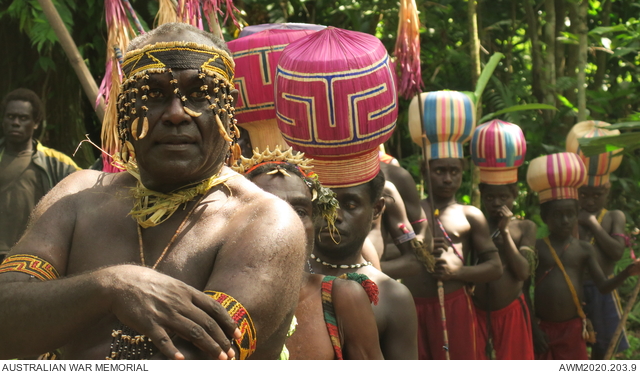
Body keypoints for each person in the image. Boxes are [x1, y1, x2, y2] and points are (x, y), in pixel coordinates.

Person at [0, 23, 306, 360]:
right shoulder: (77, 197)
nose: (176, 113)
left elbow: (201, 358)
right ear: (124, 108)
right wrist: (109, 286)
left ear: (228, 108)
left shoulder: (263, 222)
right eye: (153, 93)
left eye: (200, 94)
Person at [274, 26, 418, 359]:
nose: (333, 215)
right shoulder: (283, 279)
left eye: (350, 203)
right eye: (321, 200)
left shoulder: (393, 297)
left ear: (378, 209)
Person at [234, 146, 383, 360]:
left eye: (300, 211)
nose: (286, 222)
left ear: (314, 223)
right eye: (267, 208)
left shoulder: (343, 298)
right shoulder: (213, 298)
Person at [406, 90, 502, 360]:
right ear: (425, 171)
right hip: (413, 305)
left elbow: (494, 267)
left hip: (455, 304)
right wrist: (420, 251)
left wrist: (457, 272)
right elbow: (388, 254)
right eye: (440, 171)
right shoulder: (412, 211)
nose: (448, 178)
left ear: (463, 172)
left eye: (454, 171)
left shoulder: (470, 214)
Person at [527, 152, 640, 360]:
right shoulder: (537, 248)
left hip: (573, 327)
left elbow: (604, 285)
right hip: (543, 326)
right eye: (557, 215)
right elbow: (523, 290)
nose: (565, 220)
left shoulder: (584, 248)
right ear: (545, 217)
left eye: (571, 214)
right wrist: (533, 328)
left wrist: (627, 272)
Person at [470, 119, 536, 359]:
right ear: (482, 195)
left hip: (511, 313)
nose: (497, 203)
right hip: (476, 313)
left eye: (503, 197)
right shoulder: (475, 224)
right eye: (490, 198)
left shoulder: (525, 227)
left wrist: (505, 232)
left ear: (515, 195)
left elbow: (523, 272)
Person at [566, 120, 630, 359]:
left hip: (604, 291)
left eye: (597, 195)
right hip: (575, 290)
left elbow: (616, 252)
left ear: (607, 190)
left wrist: (592, 223)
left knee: (604, 347)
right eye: (584, 195)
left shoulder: (614, 216)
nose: (590, 201)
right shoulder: (570, 216)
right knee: (577, 345)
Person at [0, 88, 80, 259]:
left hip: (32, 253)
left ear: (35, 123)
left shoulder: (57, 162)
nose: (16, 122)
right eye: (10, 117)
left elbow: (86, 193)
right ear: (3, 120)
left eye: (23, 118)